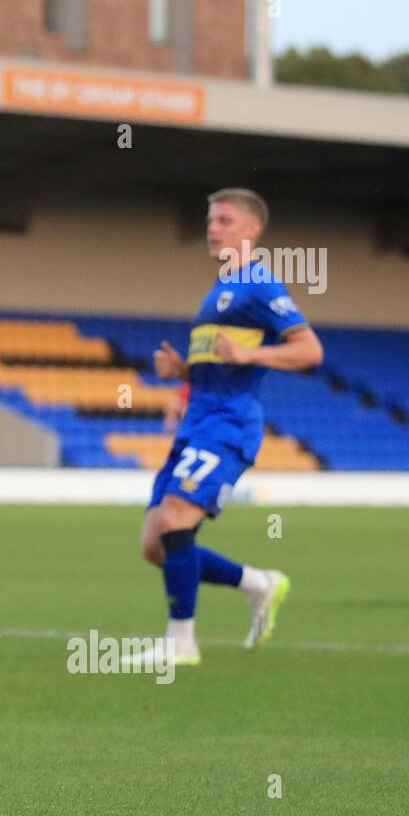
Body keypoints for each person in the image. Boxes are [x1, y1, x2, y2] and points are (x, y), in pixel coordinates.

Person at [128, 188, 323, 667]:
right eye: (211, 220)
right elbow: (218, 365)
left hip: (229, 425)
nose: (213, 228)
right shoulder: (218, 292)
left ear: (251, 230)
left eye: (224, 220)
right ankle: (260, 583)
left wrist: (253, 353)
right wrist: (182, 374)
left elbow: (310, 350)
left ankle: (180, 644)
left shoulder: (259, 285)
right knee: (156, 544)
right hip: (197, 425)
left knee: (174, 521)